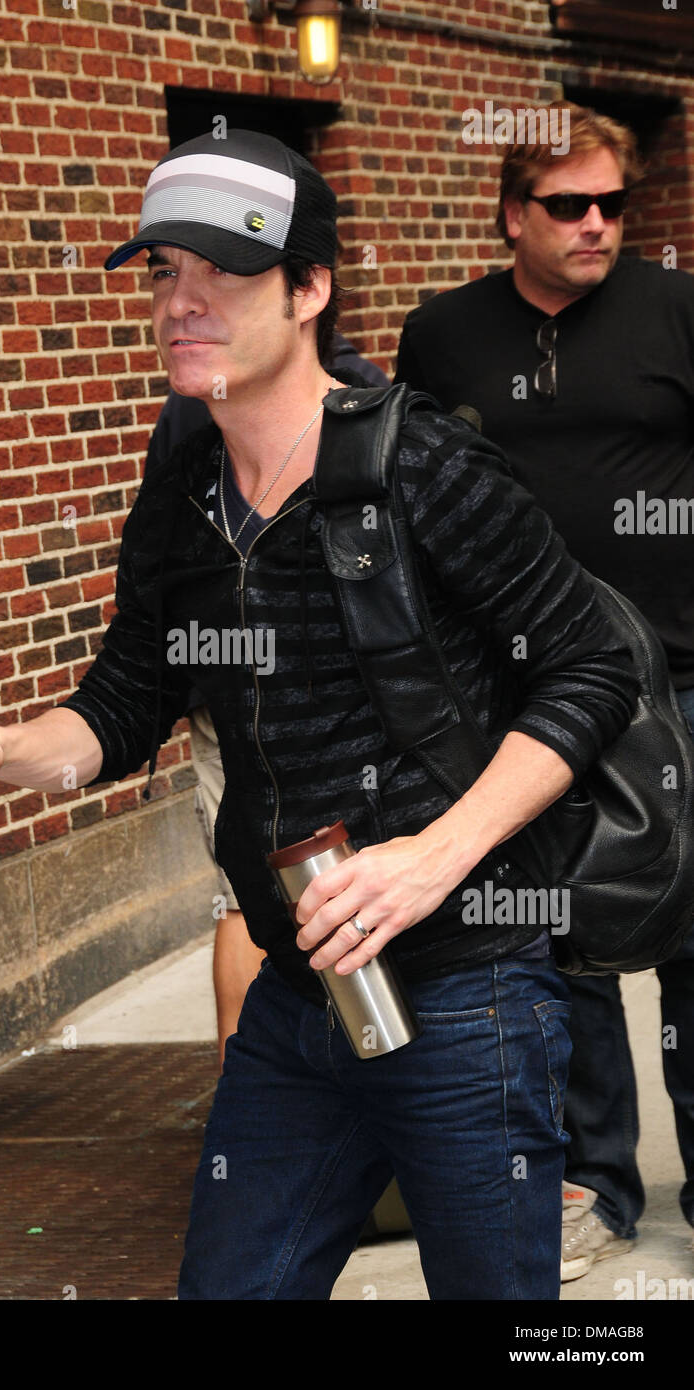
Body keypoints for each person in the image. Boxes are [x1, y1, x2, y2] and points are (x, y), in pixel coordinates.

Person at [0, 130, 635, 1298]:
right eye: (164, 270)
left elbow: (588, 669)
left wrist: (431, 857)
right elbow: (126, 700)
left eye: (221, 271)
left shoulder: (424, 463)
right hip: (297, 1000)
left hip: (470, 997)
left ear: (309, 289)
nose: (182, 302)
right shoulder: (182, 479)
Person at [395, 101, 694, 1279]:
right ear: (511, 214)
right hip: (525, 689)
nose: (595, 226)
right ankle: (595, 1181)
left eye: (612, 205)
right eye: (567, 206)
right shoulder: (443, 334)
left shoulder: (677, 310)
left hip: (680, 673)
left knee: (687, 925)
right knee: (559, 933)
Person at [146, 336, 389, 1067]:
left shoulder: (368, 408)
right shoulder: (197, 417)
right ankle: (253, 1082)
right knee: (256, 895)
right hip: (251, 699)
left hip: (283, 695)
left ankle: (289, 1081)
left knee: (283, 895)